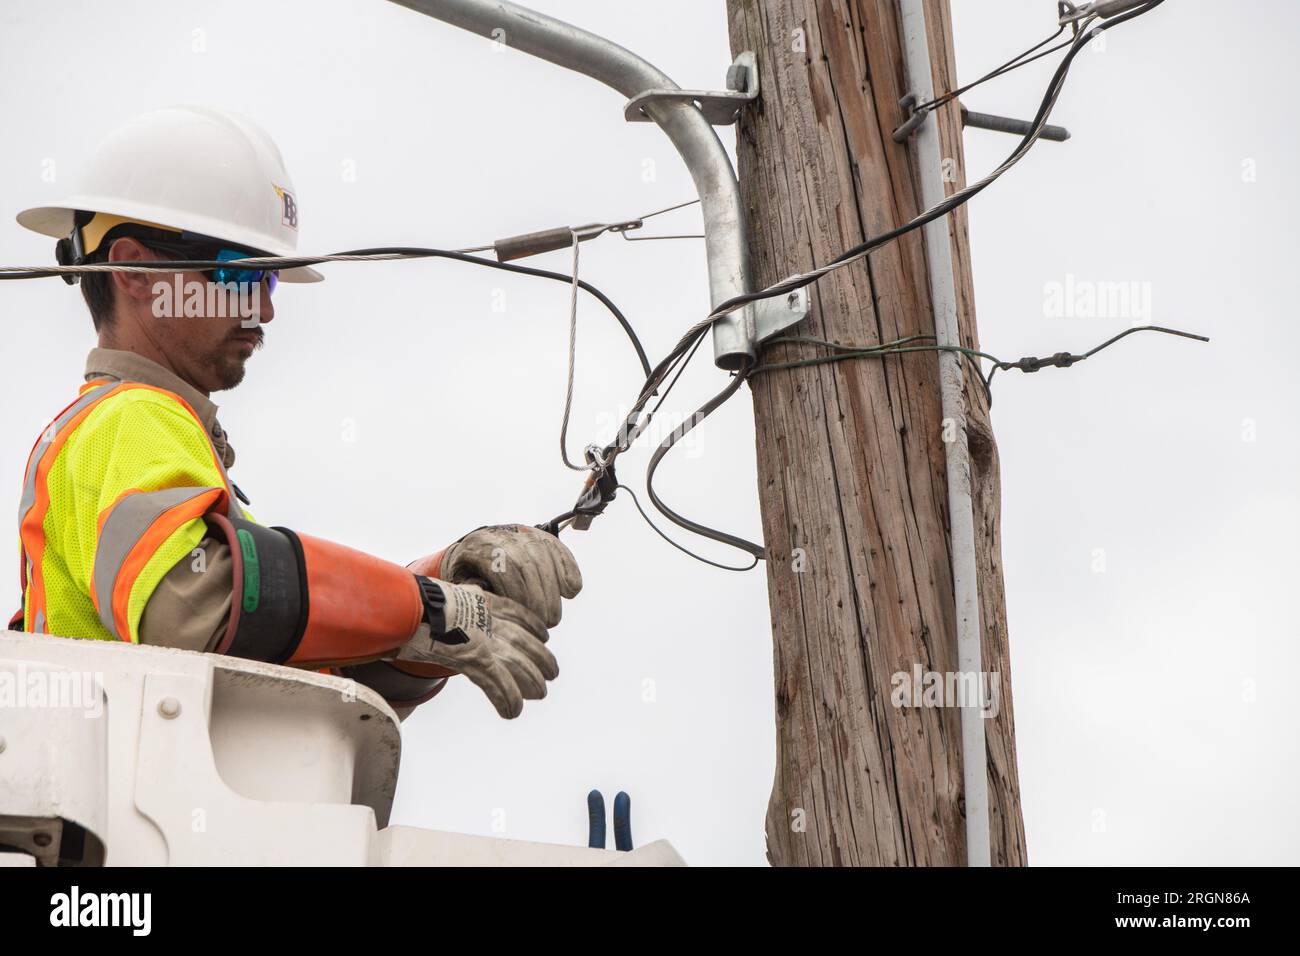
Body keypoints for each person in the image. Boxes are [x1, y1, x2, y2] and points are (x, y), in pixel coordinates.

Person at [11, 106, 581, 720]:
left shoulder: (154, 442)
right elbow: (200, 607)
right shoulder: (128, 419)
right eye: (241, 274)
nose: (264, 310)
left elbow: (314, 669)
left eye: (271, 281)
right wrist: (429, 608)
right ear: (136, 270)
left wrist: (443, 587)